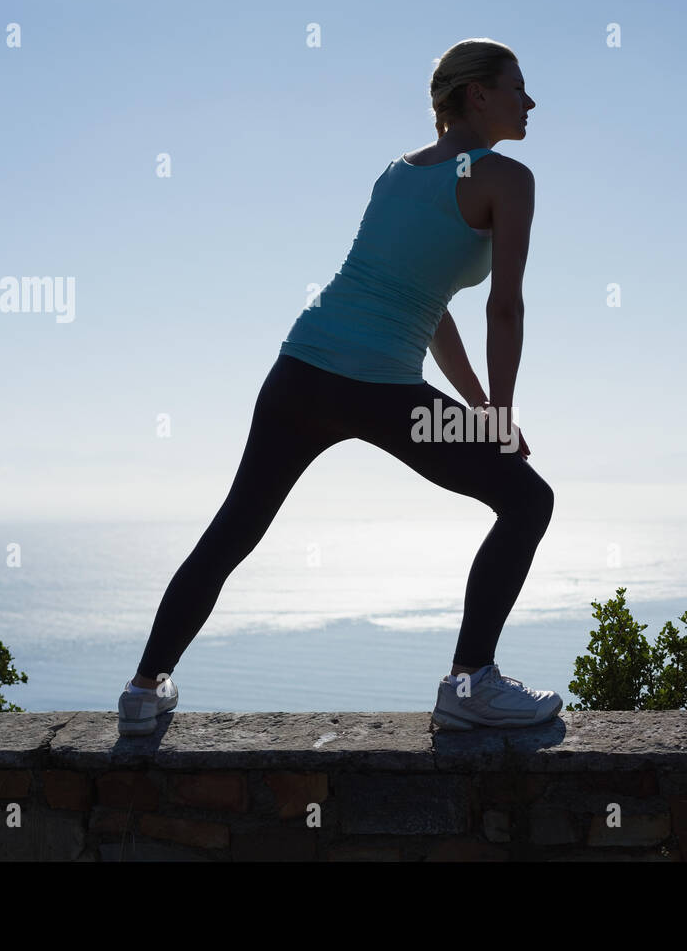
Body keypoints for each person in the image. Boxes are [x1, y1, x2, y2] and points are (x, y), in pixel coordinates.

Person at [118, 37, 561, 736]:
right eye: (516, 87)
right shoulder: (507, 178)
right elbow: (502, 307)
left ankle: (144, 692)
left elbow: (429, 303)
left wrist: (479, 408)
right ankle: (471, 682)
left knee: (235, 526)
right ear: (477, 95)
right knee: (528, 499)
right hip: (383, 392)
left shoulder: (396, 172)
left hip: (299, 371)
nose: (529, 101)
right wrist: (501, 418)